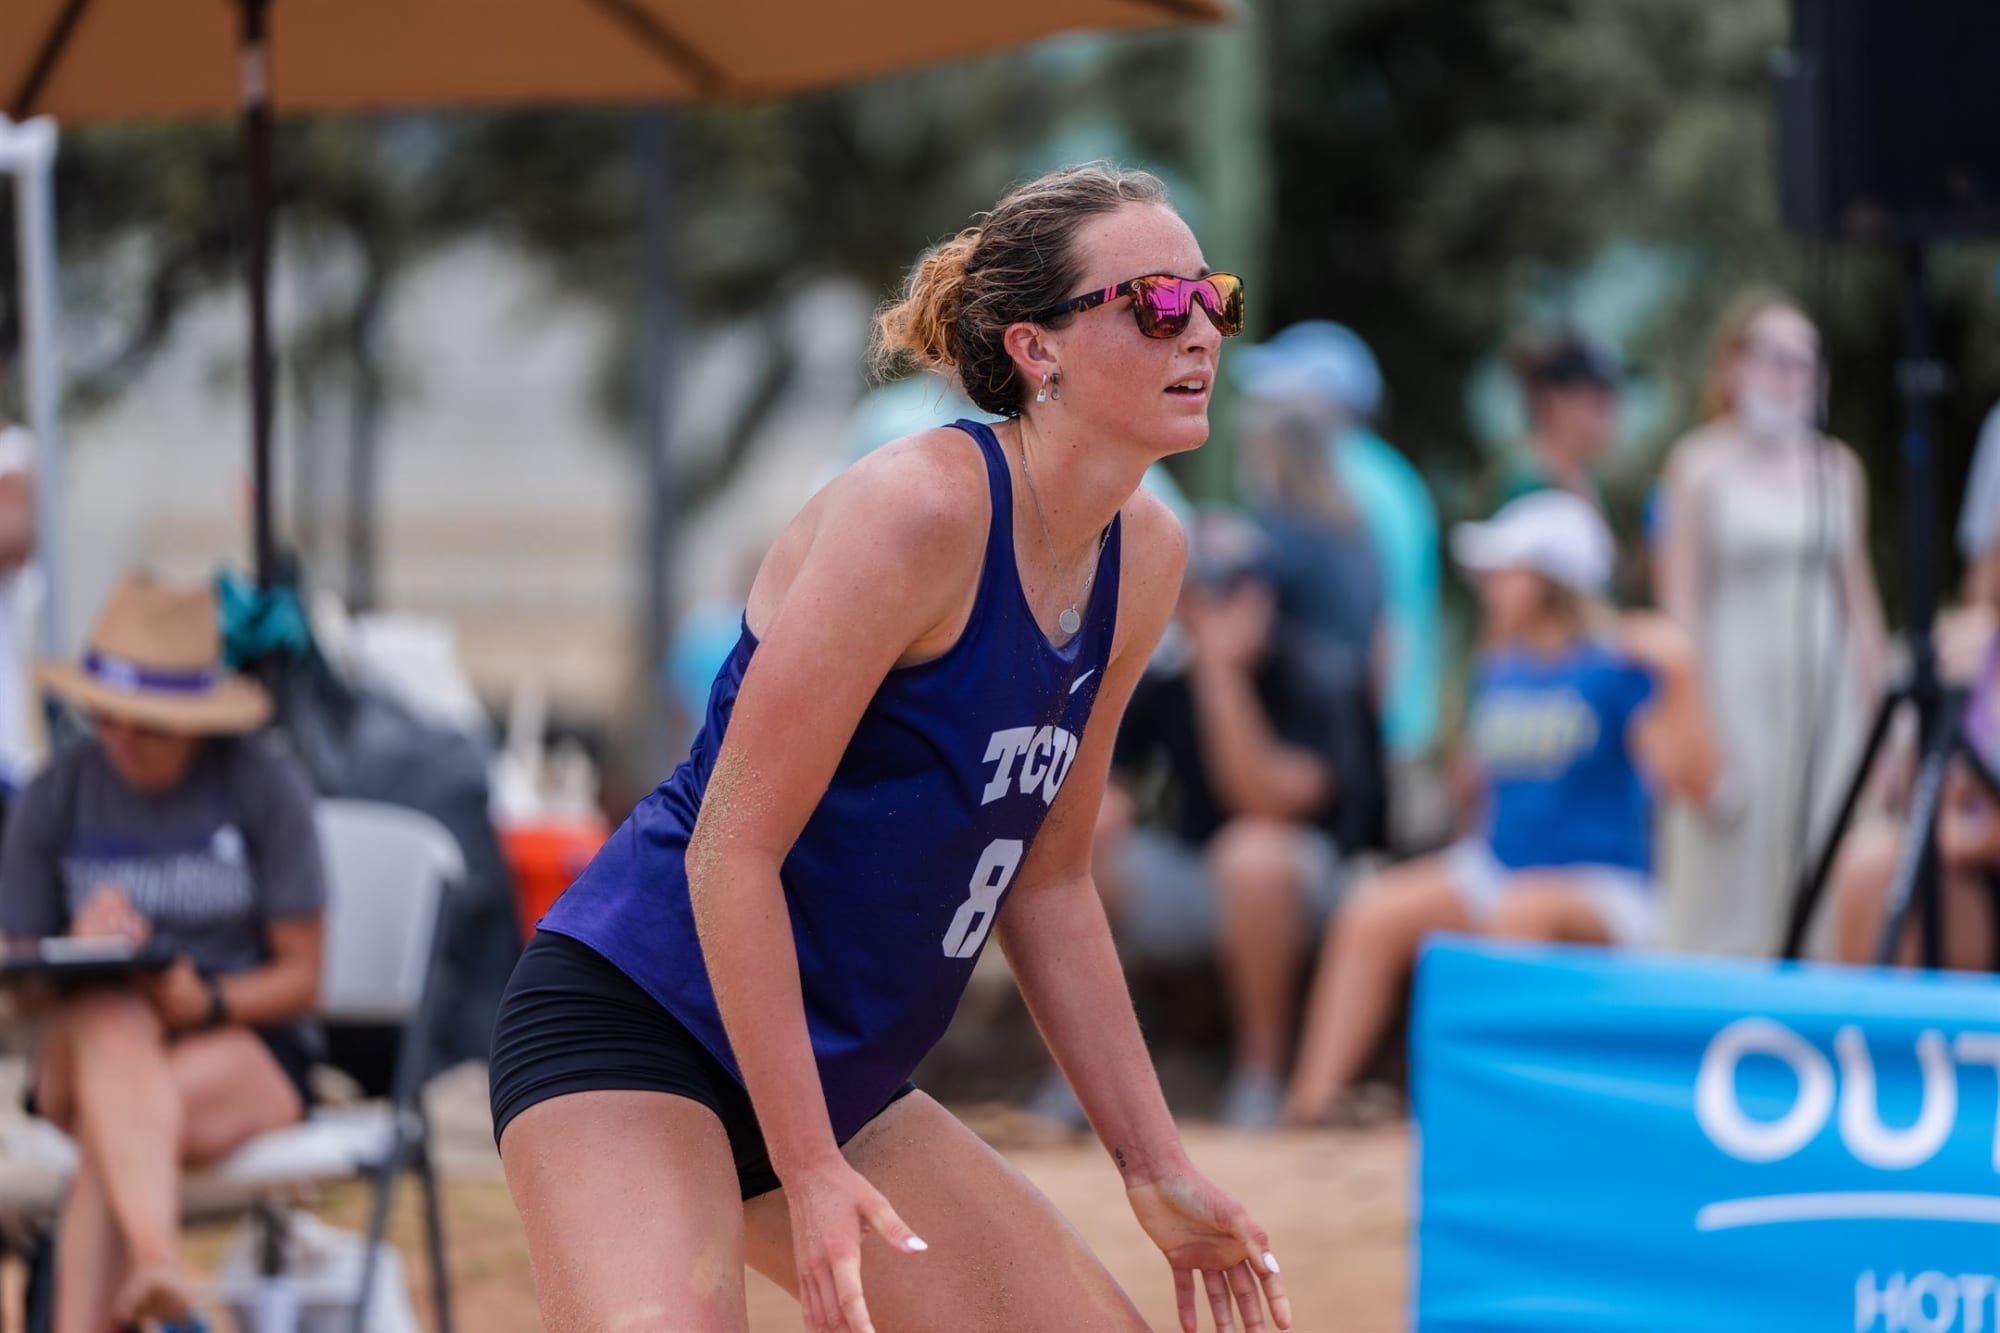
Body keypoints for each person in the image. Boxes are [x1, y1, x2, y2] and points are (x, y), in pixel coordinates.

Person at [488, 164, 1290, 1333]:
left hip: (832, 1073)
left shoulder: (1146, 558)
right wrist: (809, 1172)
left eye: (1209, 297)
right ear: (1037, 348)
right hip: (640, 1016)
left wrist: (1150, 1160)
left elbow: (1051, 880)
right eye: (1153, 304)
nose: (1199, 331)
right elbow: (729, 851)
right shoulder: (918, 513)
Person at [1284, 491, 1717, 1125]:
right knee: (1373, 911)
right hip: (1503, 867)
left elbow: (1697, 785)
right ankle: (1311, 1108)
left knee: (1522, 912)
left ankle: (1481, 1117)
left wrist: (1680, 677)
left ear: (1549, 581)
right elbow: (1481, 793)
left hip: (1605, 883)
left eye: (1505, 572)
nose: (1488, 586)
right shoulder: (1501, 665)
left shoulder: (1618, 665)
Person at [0, 572, 326, 1331]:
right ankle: (158, 1263)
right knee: (109, 1010)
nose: (122, 737)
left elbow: (305, 977)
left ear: (198, 719)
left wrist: (205, 999)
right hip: (79, 1057)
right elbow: (15, 982)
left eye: (149, 723)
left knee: (113, 1149)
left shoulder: (262, 783)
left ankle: (138, 1285)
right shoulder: (59, 790)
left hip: (234, 1042)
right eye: (107, 715)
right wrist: (73, 951)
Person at [1085, 512, 1380, 1130]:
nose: (1224, 605)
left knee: (1252, 855)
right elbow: (1103, 787)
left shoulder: (1316, 672)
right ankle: (1075, 1077)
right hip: (1198, 873)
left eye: (1239, 587)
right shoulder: (1165, 680)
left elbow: (1268, 800)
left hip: (1317, 886)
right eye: (1205, 590)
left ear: (1265, 592)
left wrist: (1221, 676)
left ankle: (1261, 1073)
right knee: (1072, 845)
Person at [1653, 291, 1889, 956]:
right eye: (1774, 359)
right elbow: (1682, 607)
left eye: (1805, 362)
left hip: (1824, 695)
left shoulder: (1838, 468)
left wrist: (1883, 724)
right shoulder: (1698, 465)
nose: (1791, 376)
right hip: (1733, 690)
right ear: (1734, 367)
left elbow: (1859, 601)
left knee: (1825, 845)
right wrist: (1689, 724)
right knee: (1731, 863)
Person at [1232, 321, 1444, 767]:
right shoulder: (1391, 476)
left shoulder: (1340, 483)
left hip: (1355, 729)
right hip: (1384, 723)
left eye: (1277, 397)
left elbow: (1384, 621)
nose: (1260, 409)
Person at [1491, 329, 1624, 516]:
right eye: (1598, 403)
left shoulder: (1584, 479)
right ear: (1555, 401)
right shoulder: (1528, 484)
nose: (1611, 416)